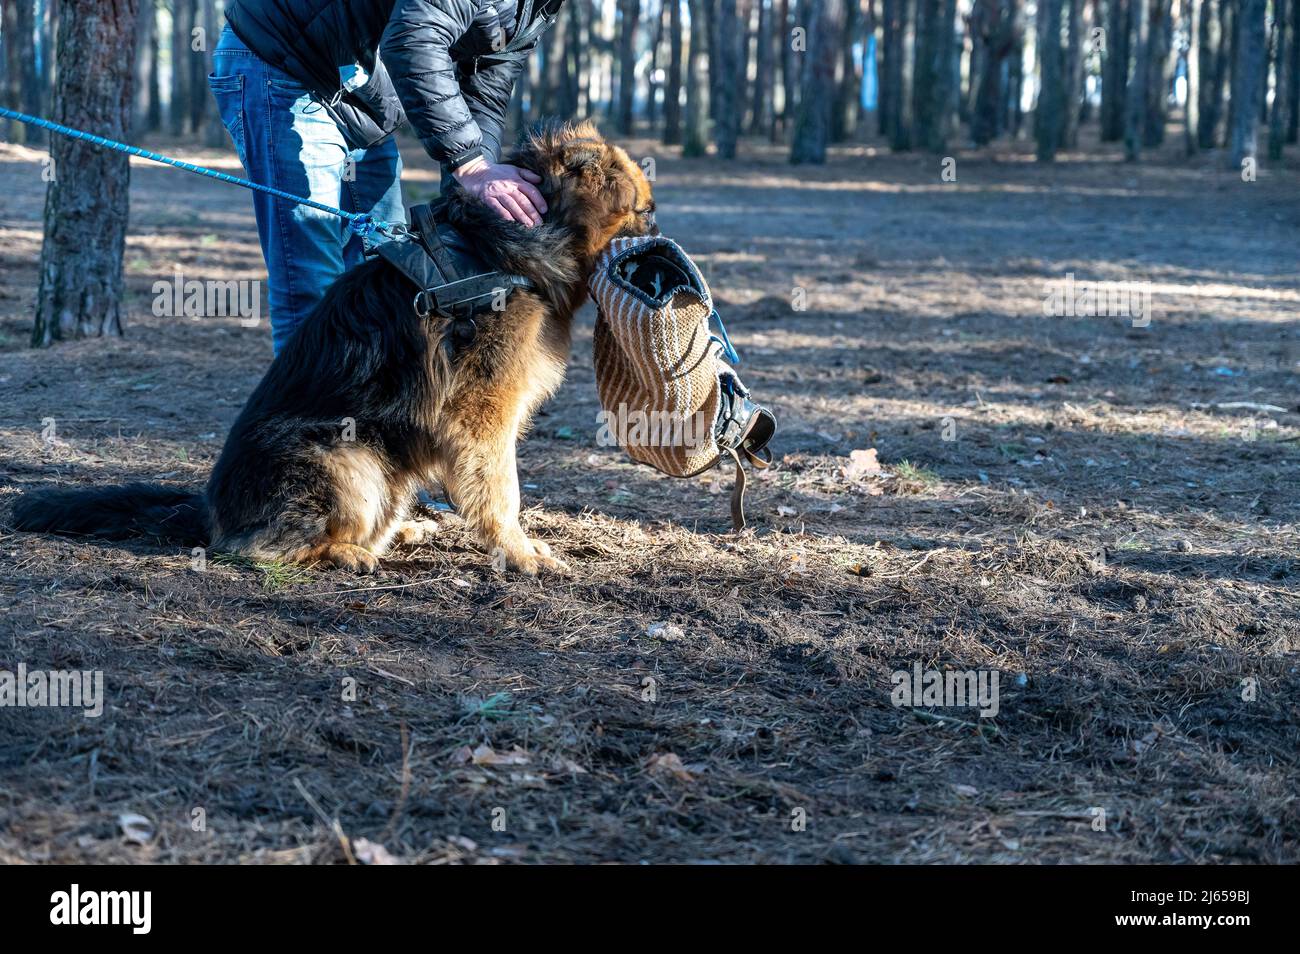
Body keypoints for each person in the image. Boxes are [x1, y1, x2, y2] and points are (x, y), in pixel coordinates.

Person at [209, 0, 564, 354]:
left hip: (357, 82)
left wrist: (471, 199)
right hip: (280, 61)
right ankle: (313, 408)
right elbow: (413, 38)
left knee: (386, 265)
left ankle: (361, 403)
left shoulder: (538, 7)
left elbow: (484, 87)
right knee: (311, 277)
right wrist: (470, 166)